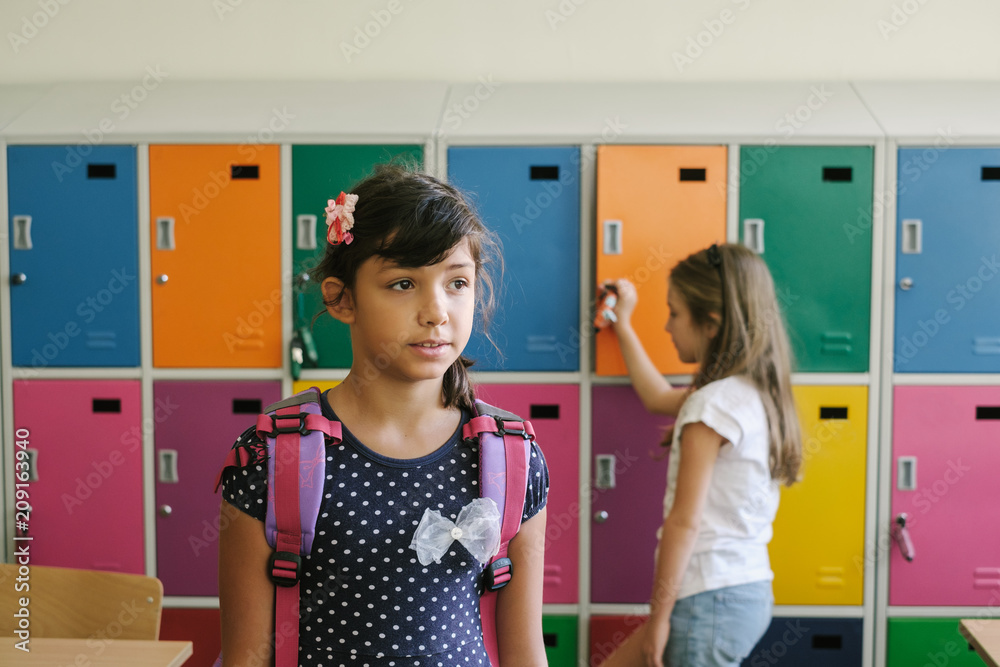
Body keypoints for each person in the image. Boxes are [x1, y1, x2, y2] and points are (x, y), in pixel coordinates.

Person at [217, 165, 550, 667]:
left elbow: (526, 651)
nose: (437, 310)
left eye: (457, 282)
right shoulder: (271, 456)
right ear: (340, 298)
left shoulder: (511, 457)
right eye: (402, 284)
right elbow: (246, 657)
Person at [602, 243, 802, 667]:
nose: (668, 326)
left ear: (710, 324)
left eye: (674, 312)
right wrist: (622, 324)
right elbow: (657, 397)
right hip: (743, 591)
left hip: (707, 598)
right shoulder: (751, 395)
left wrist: (658, 620)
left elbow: (684, 521)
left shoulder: (711, 407)